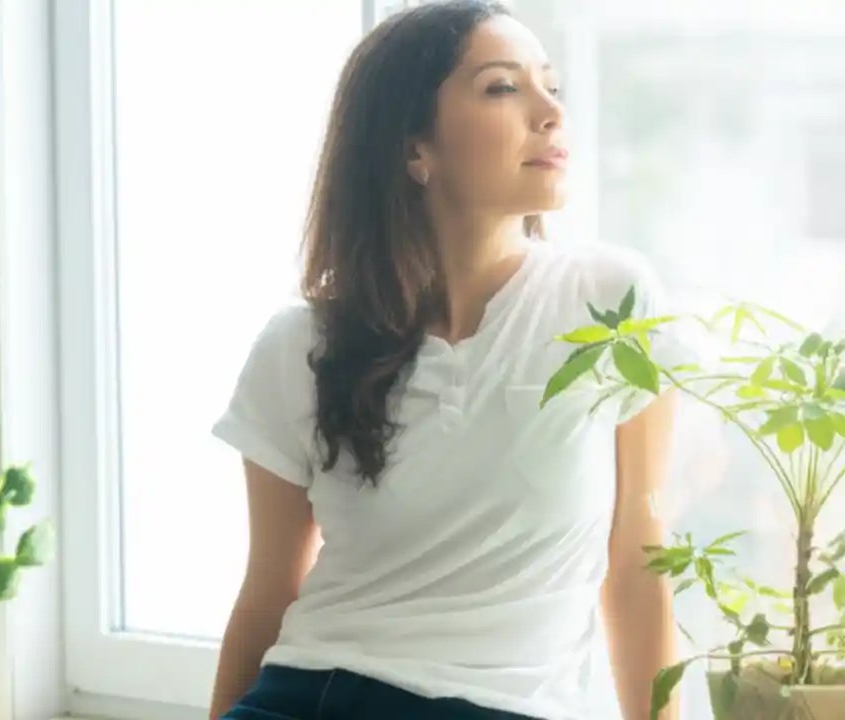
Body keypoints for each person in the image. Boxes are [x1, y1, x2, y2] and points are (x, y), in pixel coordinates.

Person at [208, 2, 680, 719]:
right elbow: (269, 592)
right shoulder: (301, 344)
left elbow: (637, 566)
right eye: (502, 87)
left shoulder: (610, 303)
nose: (550, 112)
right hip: (302, 694)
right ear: (412, 150)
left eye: (550, 85)